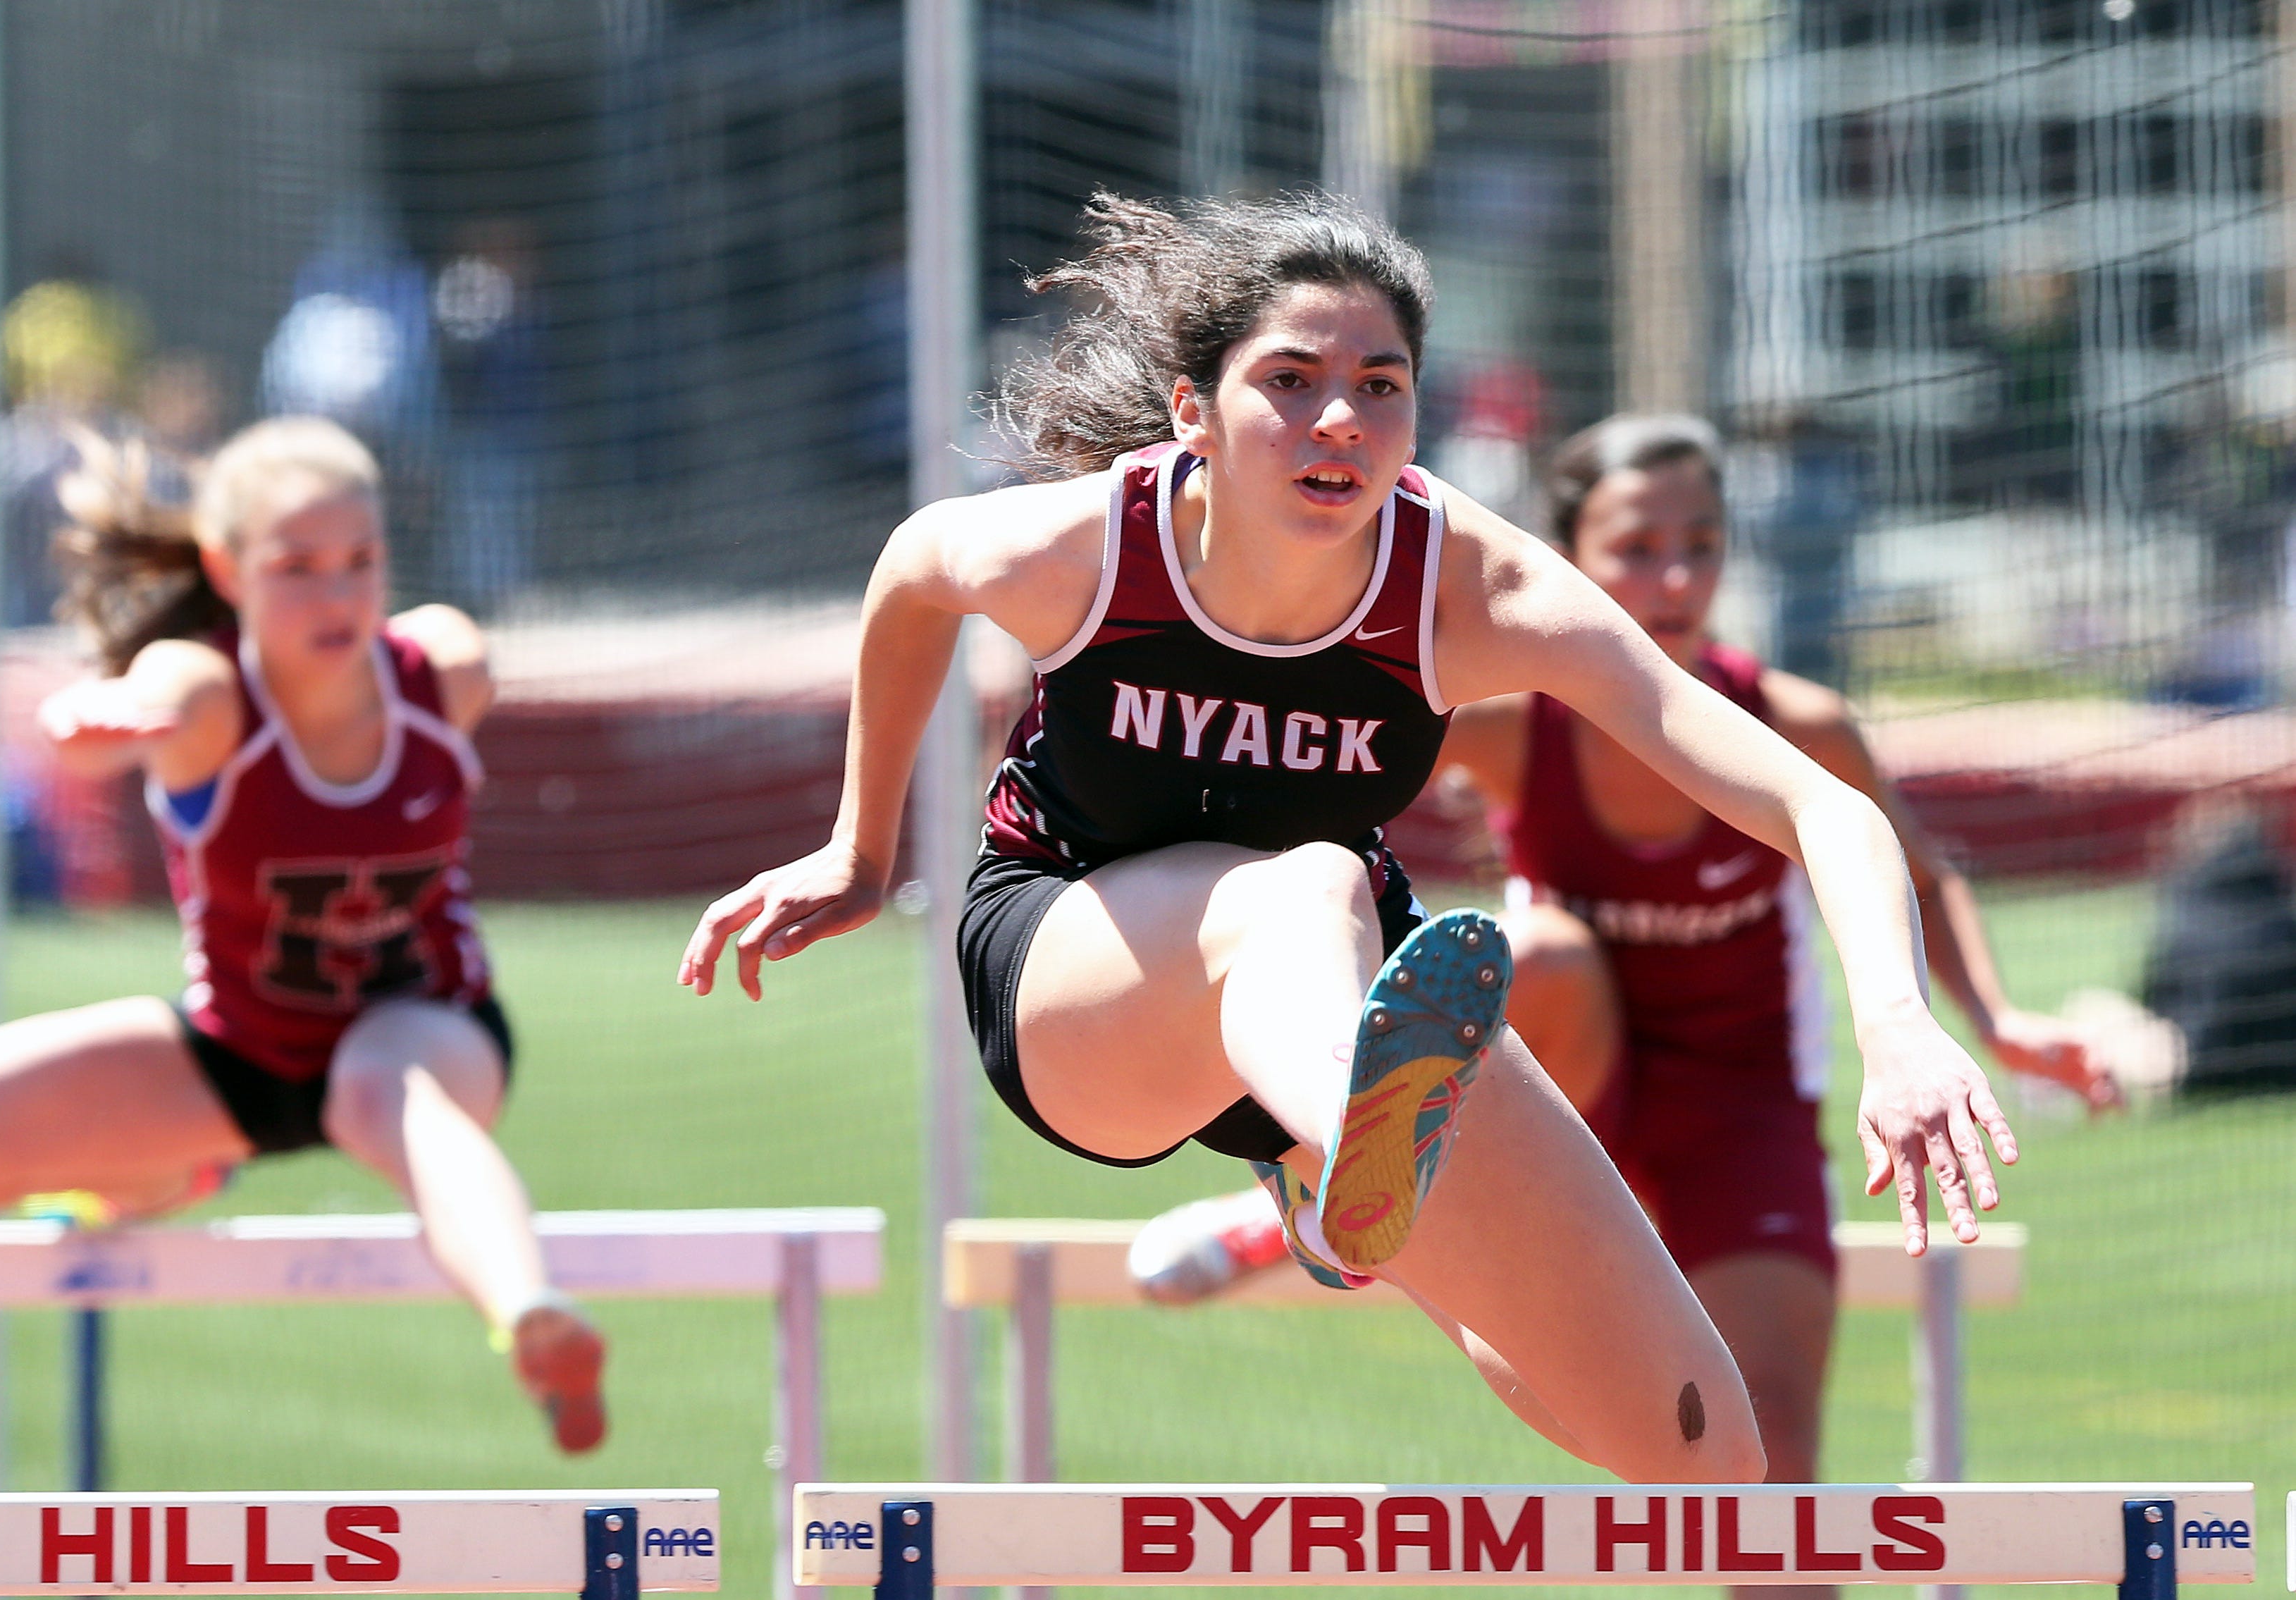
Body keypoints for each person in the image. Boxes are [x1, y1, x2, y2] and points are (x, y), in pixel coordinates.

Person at [682, 192, 2020, 1492]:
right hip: (1080, 986)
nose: (1341, 420)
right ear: (1189, 412)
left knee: (1698, 1444)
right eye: (1293, 379)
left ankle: (1343, 1183)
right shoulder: (1086, 550)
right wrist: (859, 852)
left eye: (1382, 385)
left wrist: (1899, 1027)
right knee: (1309, 879)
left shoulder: (1468, 586)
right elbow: (916, 573)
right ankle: (1344, 1163)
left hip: (1337, 998)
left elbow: (1818, 804)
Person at [1132, 411, 2118, 1600]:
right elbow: (1309, 768)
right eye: (1632, 550)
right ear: (1569, 561)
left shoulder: (1791, 716)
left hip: (1735, 1104)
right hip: (1561, 1083)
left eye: (1697, 548)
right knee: (1530, 949)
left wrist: (1994, 1019)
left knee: (1770, 1427)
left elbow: (1911, 861)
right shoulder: (1514, 711)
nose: (1667, 578)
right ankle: (1327, 1188)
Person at [0, 417, 607, 1453]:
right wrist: (102, 720)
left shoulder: (439, 672)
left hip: (427, 1028)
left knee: (380, 1088)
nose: (337, 596)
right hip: (240, 1059)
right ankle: (160, 1174)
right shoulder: (204, 692)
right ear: (229, 572)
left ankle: (530, 1317)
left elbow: (460, 647)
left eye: (360, 563)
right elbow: (146, 699)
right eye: (298, 569)